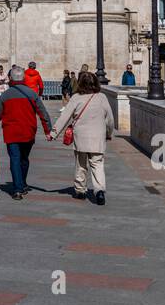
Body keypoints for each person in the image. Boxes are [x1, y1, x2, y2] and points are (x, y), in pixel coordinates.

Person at [0, 65, 52, 200]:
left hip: (11, 132)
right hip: (28, 131)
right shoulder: (32, 94)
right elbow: (43, 114)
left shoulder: (5, 96)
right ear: (23, 78)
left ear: (11, 78)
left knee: (15, 159)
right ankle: (22, 183)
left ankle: (18, 189)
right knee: (24, 158)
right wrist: (48, 131)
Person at [50, 71, 116, 205]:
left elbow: (64, 117)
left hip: (81, 138)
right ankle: (100, 191)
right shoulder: (102, 97)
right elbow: (110, 119)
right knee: (97, 164)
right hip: (97, 138)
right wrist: (109, 133)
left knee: (81, 164)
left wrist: (53, 133)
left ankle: (80, 190)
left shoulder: (76, 98)